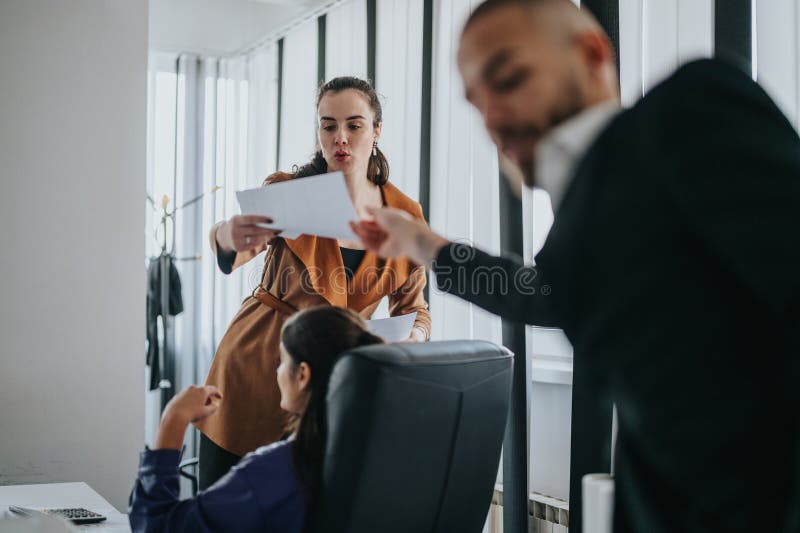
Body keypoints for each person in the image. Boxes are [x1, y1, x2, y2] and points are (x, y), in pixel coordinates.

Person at [351, 0, 800, 531]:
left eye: (510, 78)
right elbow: (533, 292)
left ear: (591, 52)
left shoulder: (692, 104)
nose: (492, 119)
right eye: (477, 103)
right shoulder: (575, 234)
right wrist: (422, 243)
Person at [195, 76, 431, 490]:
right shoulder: (288, 191)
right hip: (255, 365)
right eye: (328, 126)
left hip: (334, 386)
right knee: (220, 513)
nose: (340, 138)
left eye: (354, 125)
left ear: (376, 131)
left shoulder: (405, 212)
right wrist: (225, 234)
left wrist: (414, 339)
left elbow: (415, 308)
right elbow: (235, 249)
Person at [129, 306, 384, 533]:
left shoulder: (276, 472)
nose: (277, 370)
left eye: (282, 360)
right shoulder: (388, 457)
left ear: (303, 374)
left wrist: (173, 417)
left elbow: (156, 526)